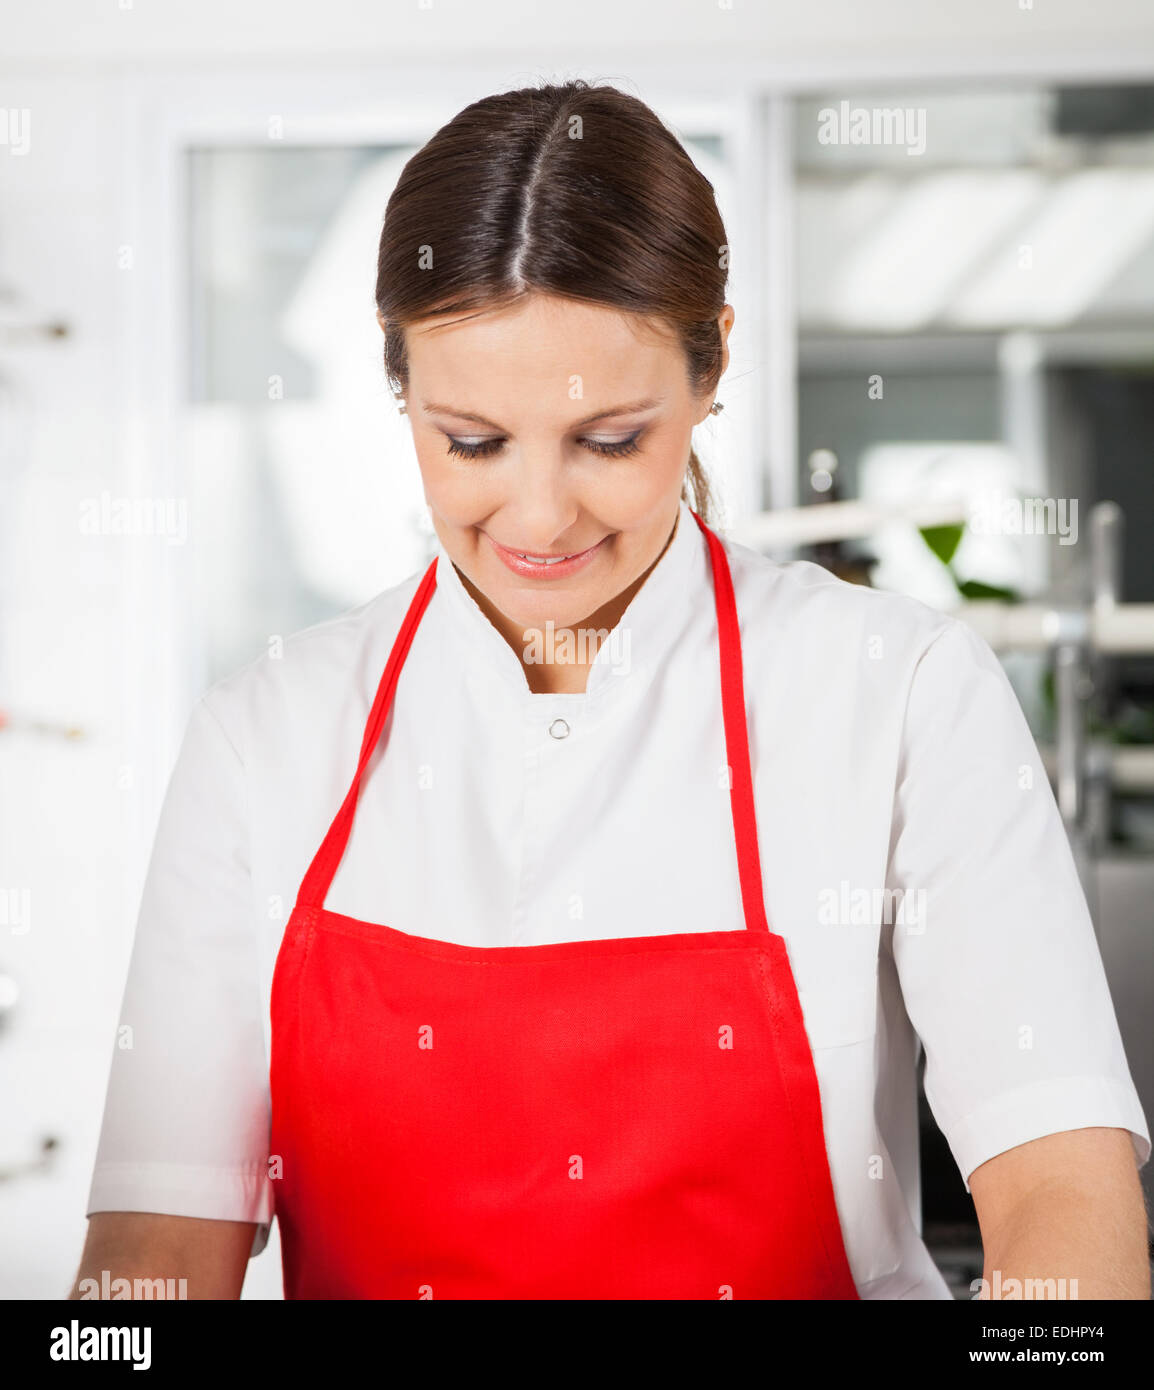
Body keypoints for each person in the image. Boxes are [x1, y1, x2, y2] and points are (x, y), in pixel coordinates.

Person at [72, 79, 1149, 1301]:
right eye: (470, 440)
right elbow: (152, 1259)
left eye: (610, 438)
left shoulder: (893, 691)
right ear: (399, 392)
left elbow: (1062, 1193)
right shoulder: (264, 735)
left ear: (711, 368)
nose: (538, 516)